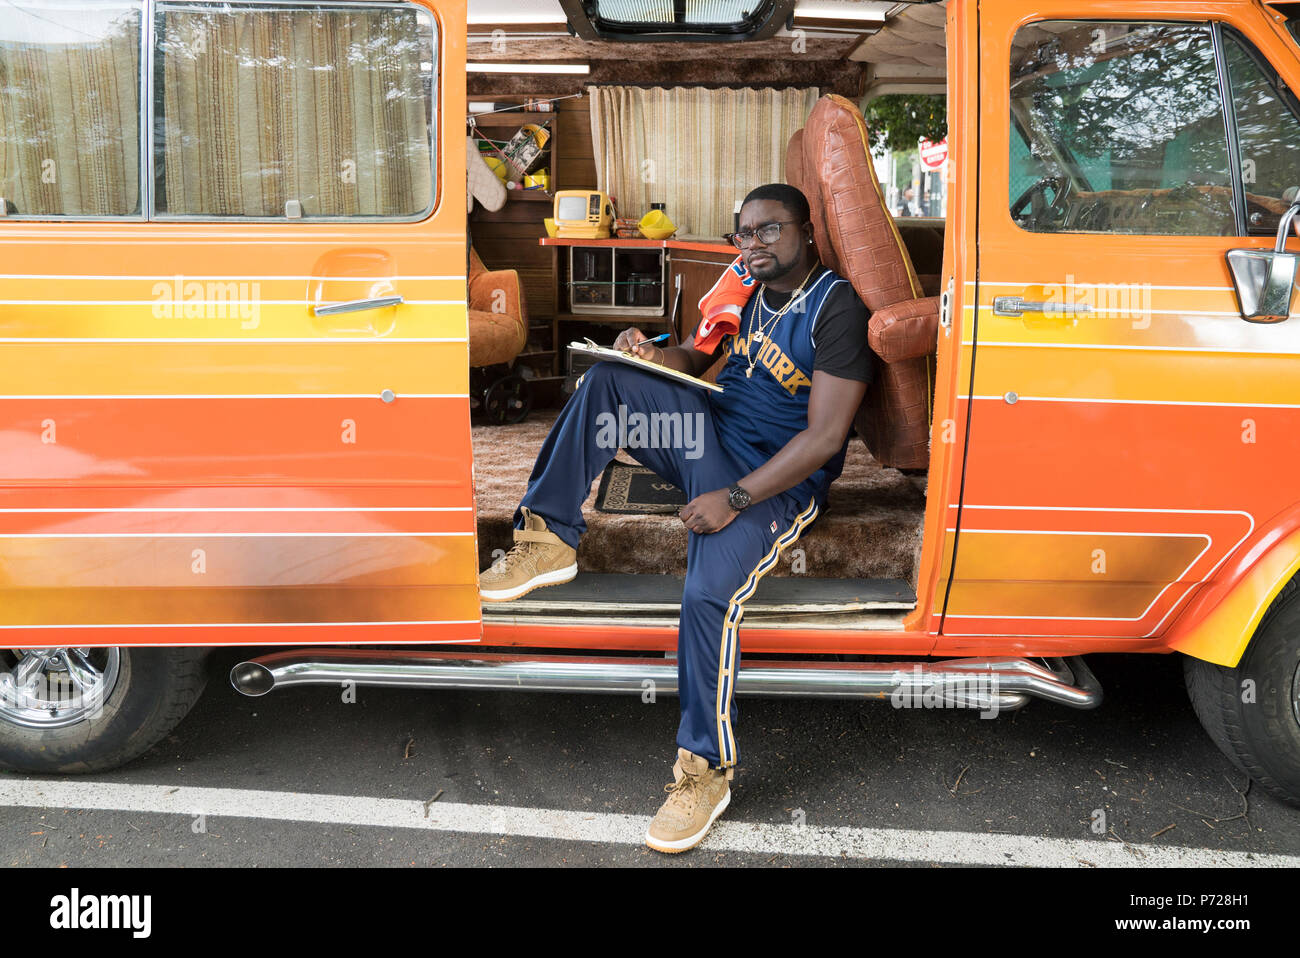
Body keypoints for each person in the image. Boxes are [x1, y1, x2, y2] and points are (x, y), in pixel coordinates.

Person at [478, 184, 874, 853]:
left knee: (706, 595)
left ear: (806, 231)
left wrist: (736, 499)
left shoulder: (836, 307)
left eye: (769, 230)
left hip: (776, 476)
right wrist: (655, 358)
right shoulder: (745, 281)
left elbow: (825, 440)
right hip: (709, 431)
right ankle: (547, 540)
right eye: (743, 233)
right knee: (607, 381)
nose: (753, 244)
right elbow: (698, 356)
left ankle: (703, 772)